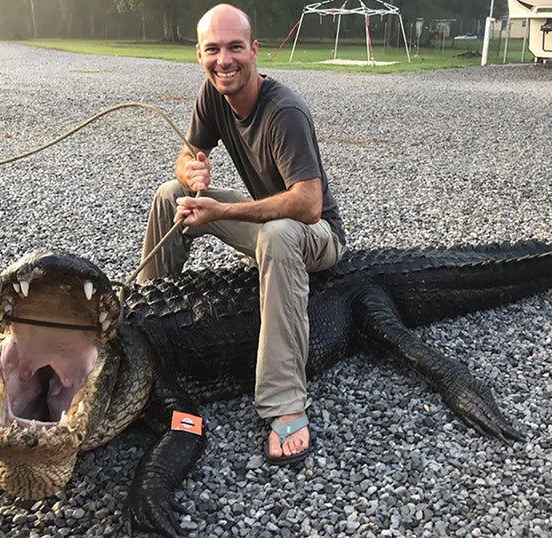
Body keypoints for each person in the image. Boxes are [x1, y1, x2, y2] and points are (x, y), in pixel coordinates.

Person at [136, 3, 346, 465]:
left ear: (254, 51)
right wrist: (190, 171)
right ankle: (138, 329)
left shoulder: (284, 111)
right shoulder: (212, 93)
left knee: (277, 236)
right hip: (270, 225)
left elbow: (309, 205)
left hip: (316, 236)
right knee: (171, 194)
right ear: (199, 54)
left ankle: (285, 401)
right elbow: (187, 154)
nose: (224, 59)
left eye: (235, 48)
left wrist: (221, 211)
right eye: (213, 49)